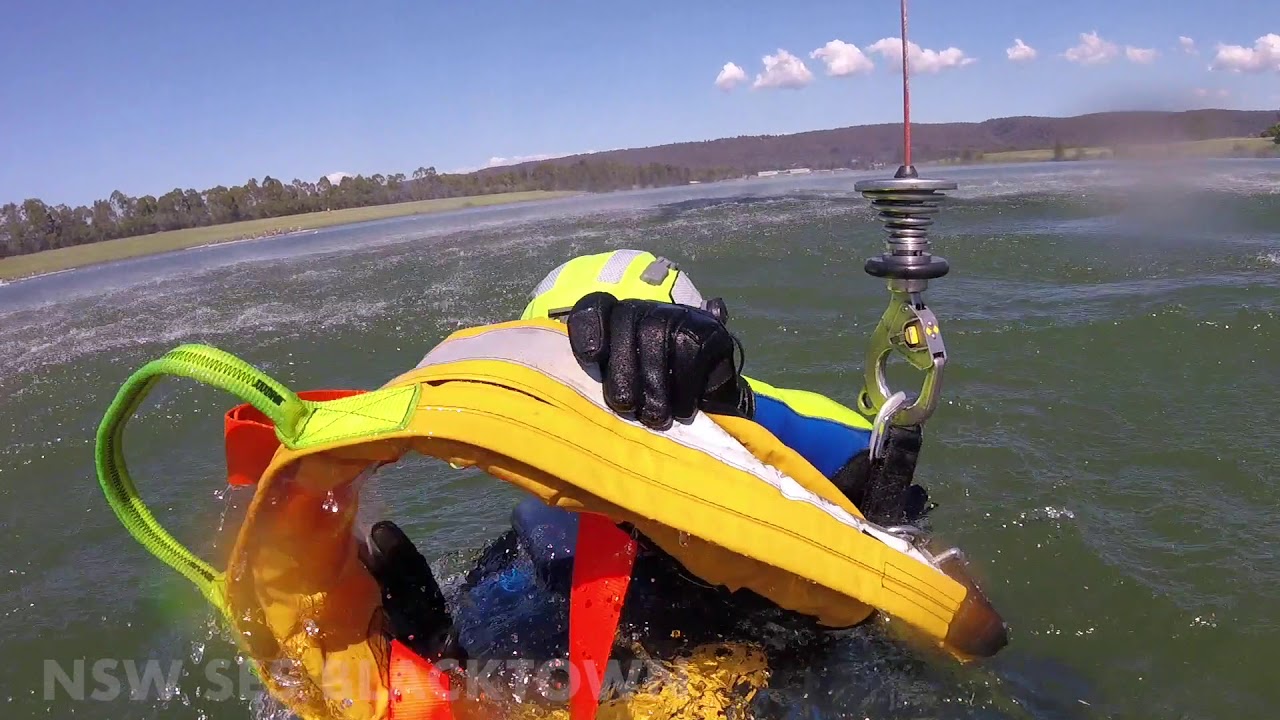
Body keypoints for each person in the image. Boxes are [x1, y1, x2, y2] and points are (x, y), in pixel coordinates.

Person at [360, 248, 934, 675]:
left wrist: (729, 407)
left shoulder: (795, 444)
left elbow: (878, 487)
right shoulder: (532, 540)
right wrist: (433, 650)